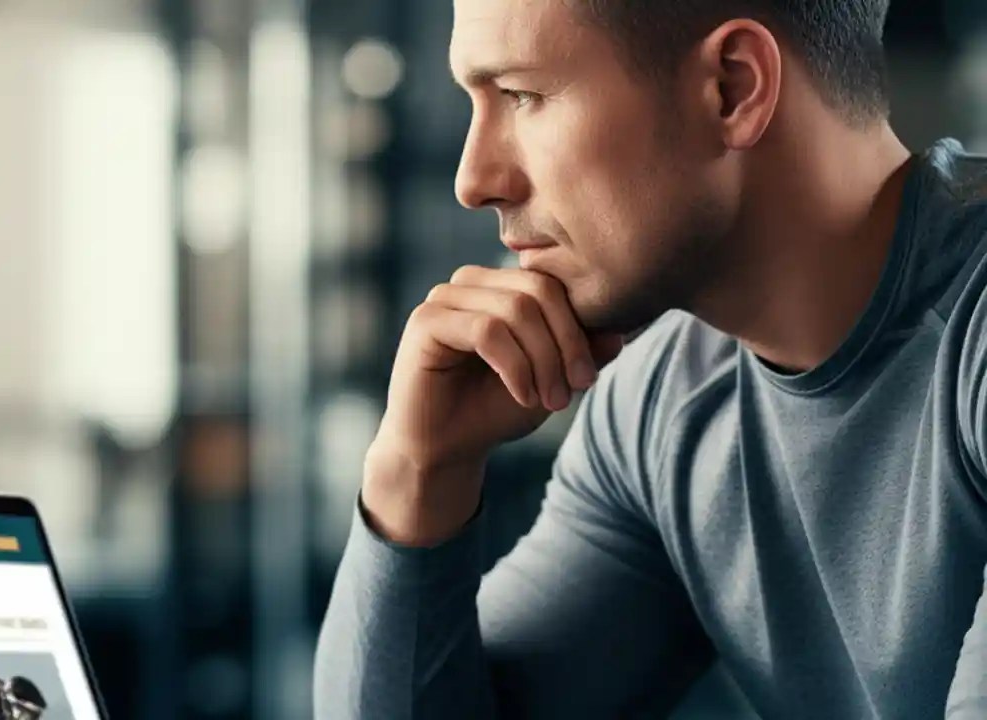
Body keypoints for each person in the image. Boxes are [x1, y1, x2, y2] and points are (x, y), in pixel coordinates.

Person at [313, 0, 987, 717]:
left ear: (733, 88)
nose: (474, 180)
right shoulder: (663, 401)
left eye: (521, 95)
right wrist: (419, 469)